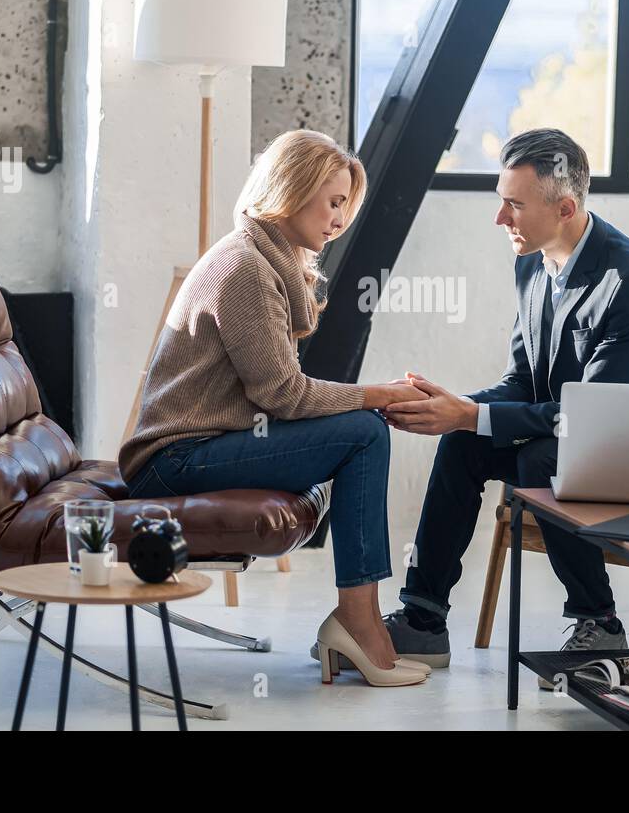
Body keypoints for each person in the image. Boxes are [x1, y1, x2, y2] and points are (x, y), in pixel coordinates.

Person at [382, 128, 629, 686]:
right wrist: (450, 408)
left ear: (565, 207)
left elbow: (589, 413)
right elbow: (524, 383)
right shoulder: (532, 265)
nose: (500, 219)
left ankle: (600, 623)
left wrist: (470, 413)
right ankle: (424, 619)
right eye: (501, 200)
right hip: (578, 442)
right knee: (463, 443)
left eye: (515, 205)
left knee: (540, 459)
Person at [119, 129, 430, 687]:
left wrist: (370, 400)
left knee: (363, 428)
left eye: (346, 207)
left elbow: (279, 393)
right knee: (365, 431)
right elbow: (282, 395)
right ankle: (358, 620)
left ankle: (355, 619)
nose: (340, 220)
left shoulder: (265, 257)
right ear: (293, 187)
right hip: (174, 461)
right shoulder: (246, 269)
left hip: (202, 447)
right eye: (333, 201)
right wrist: (377, 395)